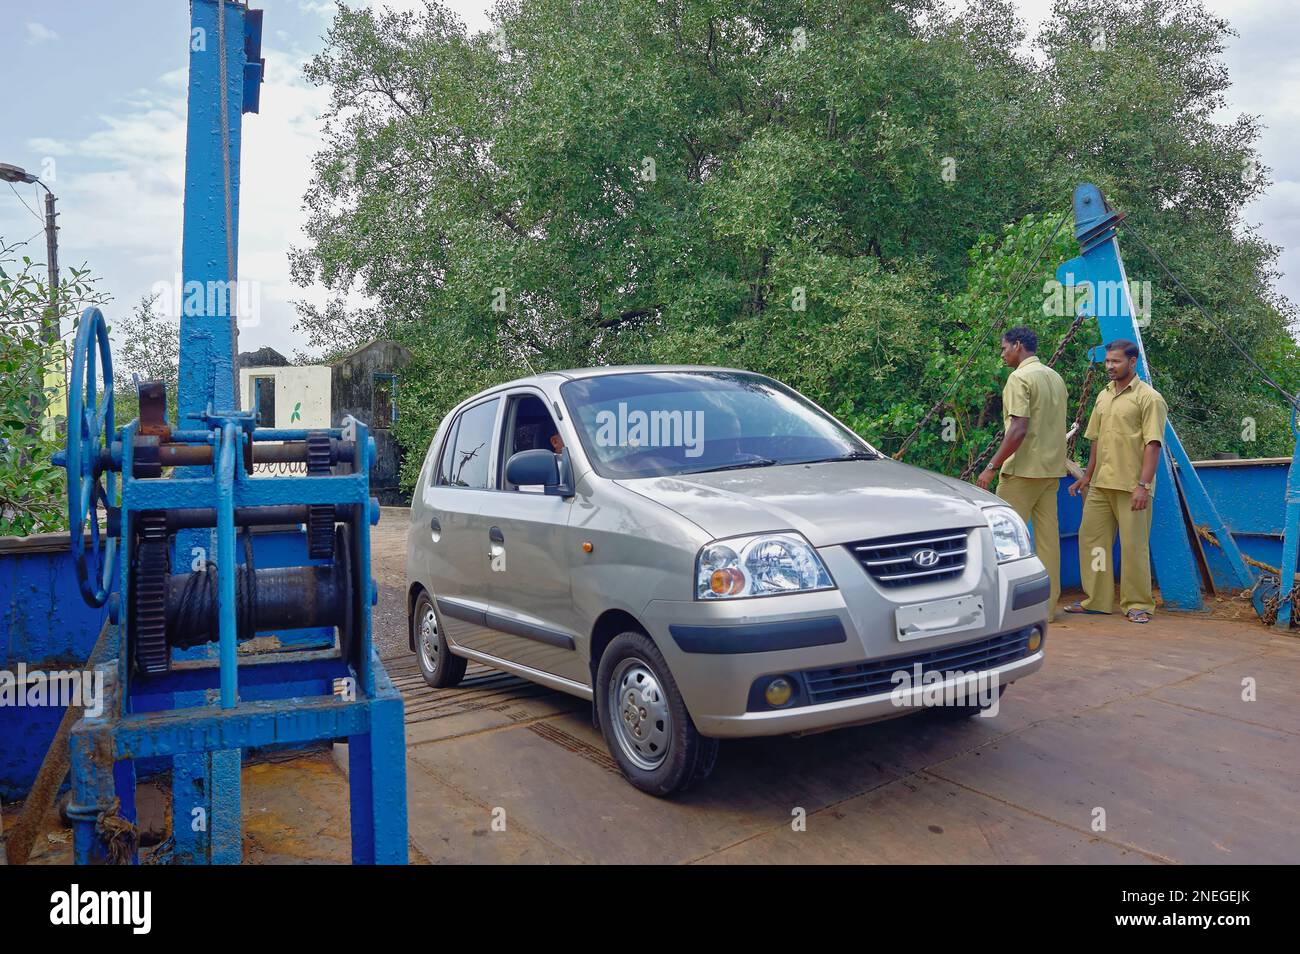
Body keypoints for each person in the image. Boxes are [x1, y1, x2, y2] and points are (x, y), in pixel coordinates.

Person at [1065, 339, 1168, 623]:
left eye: (1116, 361)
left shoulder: (1150, 398)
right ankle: (1096, 600)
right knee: (1093, 541)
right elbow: (1096, 439)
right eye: (1108, 361)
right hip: (1101, 484)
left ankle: (1138, 604)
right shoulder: (1103, 395)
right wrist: (1087, 476)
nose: (1109, 366)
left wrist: (1143, 486)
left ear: (1132, 362)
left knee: (1134, 547)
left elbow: (1153, 444)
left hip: (1132, 486)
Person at [977, 326, 1069, 611]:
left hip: (1022, 471)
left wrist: (991, 466)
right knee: (1048, 541)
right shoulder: (1055, 377)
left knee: (1003, 538)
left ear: (1018, 346)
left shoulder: (1019, 378)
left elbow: (1018, 428)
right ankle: (1048, 607)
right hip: (1051, 471)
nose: (1002, 354)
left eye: (1004, 348)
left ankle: (1004, 605)